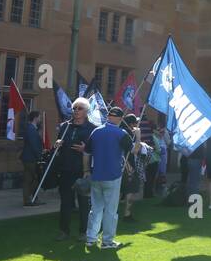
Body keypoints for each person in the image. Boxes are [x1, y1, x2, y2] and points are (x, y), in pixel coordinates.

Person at [83, 106, 131, 249]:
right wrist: (138, 135)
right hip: (113, 176)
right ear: (120, 118)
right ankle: (107, 241)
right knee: (110, 211)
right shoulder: (121, 133)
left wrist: (85, 170)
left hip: (96, 175)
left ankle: (91, 239)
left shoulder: (96, 131)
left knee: (96, 209)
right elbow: (134, 149)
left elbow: (86, 153)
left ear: (109, 116)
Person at [53, 99, 96, 241]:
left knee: (84, 203)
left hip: (83, 171)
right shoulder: (65, 126)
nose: (76, 110)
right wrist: (57, 144)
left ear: (86, 111)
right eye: (75, 108)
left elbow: (97, 150)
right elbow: (58, 145)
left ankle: (84, 232)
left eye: (80, 108)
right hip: (65, 169)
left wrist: (86, 149)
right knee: (65, 202)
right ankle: (63, 231)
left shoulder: (92, 128)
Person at [119, 113, 145, 221]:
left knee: (117, 191)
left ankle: (112, 214)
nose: (137, 124)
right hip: (127, 166)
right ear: (131, 124)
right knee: (129, 190)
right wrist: (138, 136)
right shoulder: (130, 134)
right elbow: (135, 150)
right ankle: (127, 214)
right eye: (135, 122)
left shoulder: (119, 131)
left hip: (118, 165)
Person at [20, 110, 44, 206]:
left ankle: (29, 199)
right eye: (39, 117)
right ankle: (31, 198)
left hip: (28, 157)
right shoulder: (31, 129)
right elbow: (34, 145)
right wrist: (39, 156)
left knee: (29, 179)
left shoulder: (32, 128)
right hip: (31, 158)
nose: (40, 119)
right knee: (34, 179)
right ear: (35, 118)